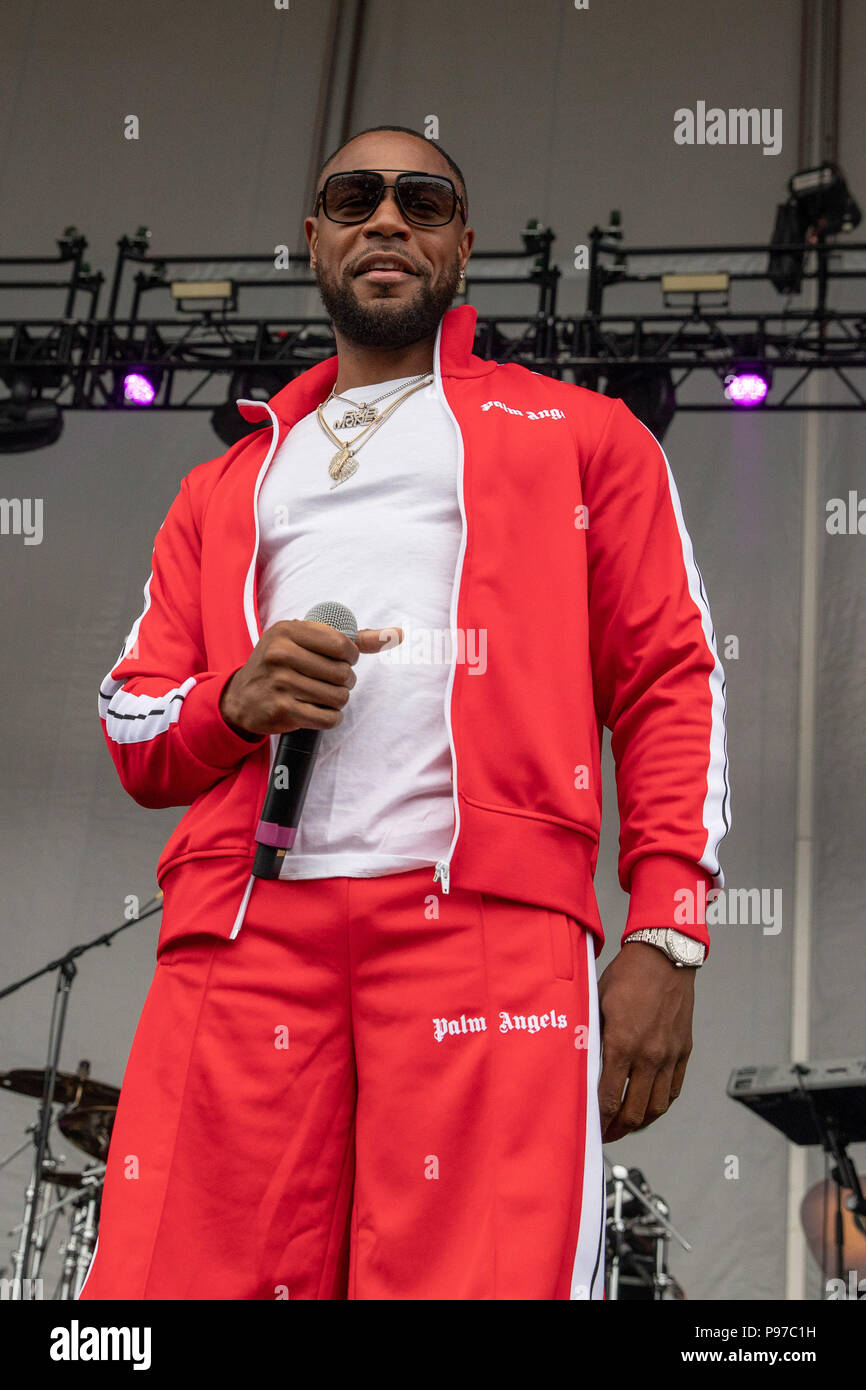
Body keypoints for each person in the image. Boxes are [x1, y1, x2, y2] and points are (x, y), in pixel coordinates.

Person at [79, 124, 730, 1301]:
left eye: (421, 201)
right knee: (162, 1292)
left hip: (485, 924)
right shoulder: (224, 483)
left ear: (463, 249)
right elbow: (134, 723)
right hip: (243, 935)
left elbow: (668, 677)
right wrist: (233, 702)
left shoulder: (582, 435)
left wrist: (666, 930)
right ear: (314, 238)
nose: (388, 219)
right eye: (355, 197)